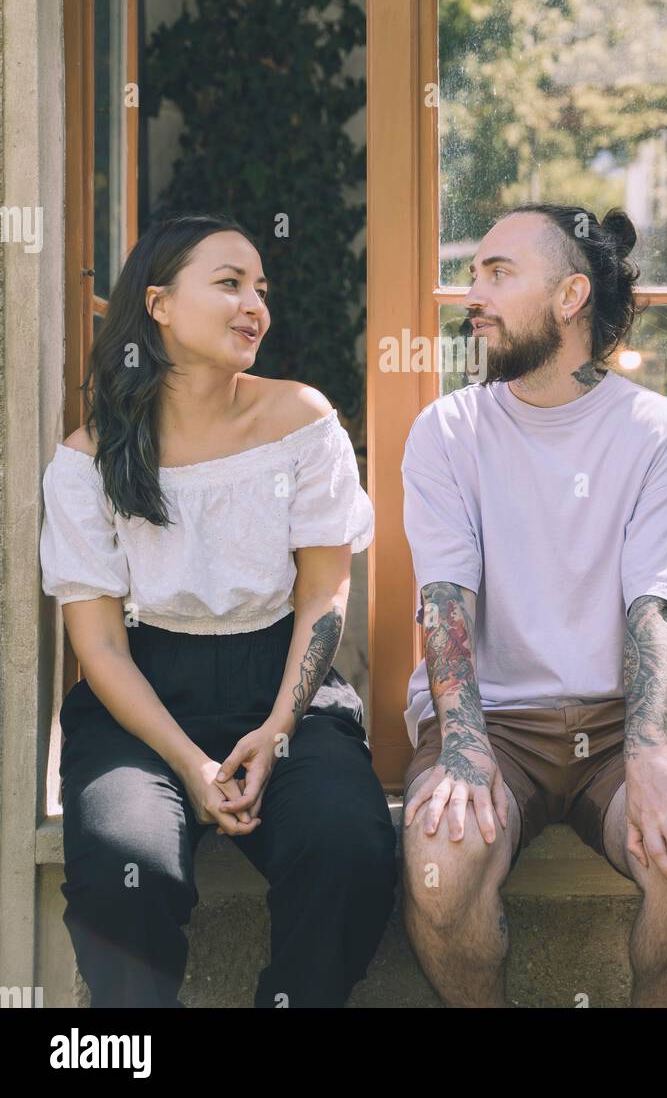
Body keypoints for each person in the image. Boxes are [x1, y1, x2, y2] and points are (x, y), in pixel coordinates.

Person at [39, 212, 396, 1009]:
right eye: (230, 284)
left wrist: (277, 730)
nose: (255, 306)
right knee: (126, 870)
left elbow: (322, 594)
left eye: (261, 288)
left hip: (282, 684)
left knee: (349, 848)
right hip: (142, 696)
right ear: (159, 305)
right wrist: (191, 765)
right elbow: (97, 646)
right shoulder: (88, 459)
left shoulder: (302, 421)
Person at [399, 203, 667, 1008]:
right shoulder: (446, 431)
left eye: (497, 273)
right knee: (443, 868)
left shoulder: (661, 434)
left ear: (570, 295)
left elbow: (655, 612)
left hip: (625, 722)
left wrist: (653, 758)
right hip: (496, 721)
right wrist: (464, 744)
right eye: (473, 272)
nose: (470, 294)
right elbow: (445, 603)